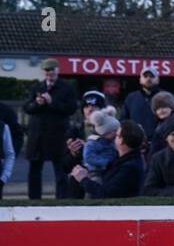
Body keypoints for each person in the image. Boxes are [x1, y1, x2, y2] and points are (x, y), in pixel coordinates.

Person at [23, 58, 78, 199]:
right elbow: (27, 108)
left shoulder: (66, 88)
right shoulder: (37, 87)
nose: (49, 73)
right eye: (47, 71)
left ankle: (62, 199)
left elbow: (71, 109)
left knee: (60, 170)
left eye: (52, 70)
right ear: (43, 72)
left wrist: (52, 102)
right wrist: (37, 103)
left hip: (58, 135)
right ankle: (34, 200)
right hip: (37, 135)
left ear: (57, 70)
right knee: (34, 170)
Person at [70, 120, 145, 199]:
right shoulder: (124, 160)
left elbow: (107, 193)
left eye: (116, 135)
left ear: (121, 141)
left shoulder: (129, 168)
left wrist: (83, 180)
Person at [122, 69, 162, 140]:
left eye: (152, 76)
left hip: (160, 142)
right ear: (140, 80)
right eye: (145, 76)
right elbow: (123, 120)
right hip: (135, 141)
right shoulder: (131, 97)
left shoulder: (165, 97)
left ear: (158, 80)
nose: (148, 79)